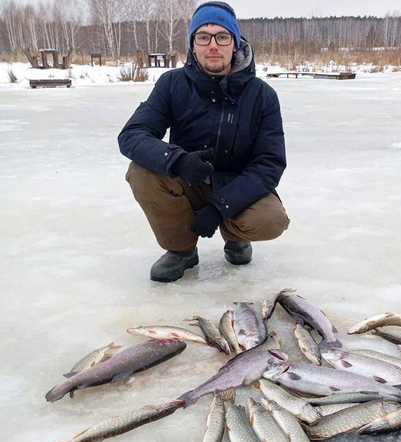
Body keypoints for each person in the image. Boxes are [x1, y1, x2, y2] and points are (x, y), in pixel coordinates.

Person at [118, 1, 289, 283]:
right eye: (203, 36)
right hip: (187, 179)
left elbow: (270, 163)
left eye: (222, 37)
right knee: (141, 172)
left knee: (271, 220)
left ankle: (235, 237)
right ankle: (182, 250)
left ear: (235, 43)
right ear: (193, 44)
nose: (213, 45)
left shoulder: (262, 95)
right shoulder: (172, 84)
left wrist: (221, 206)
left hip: (236, 185)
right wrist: (177, 160)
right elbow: (132, 135)